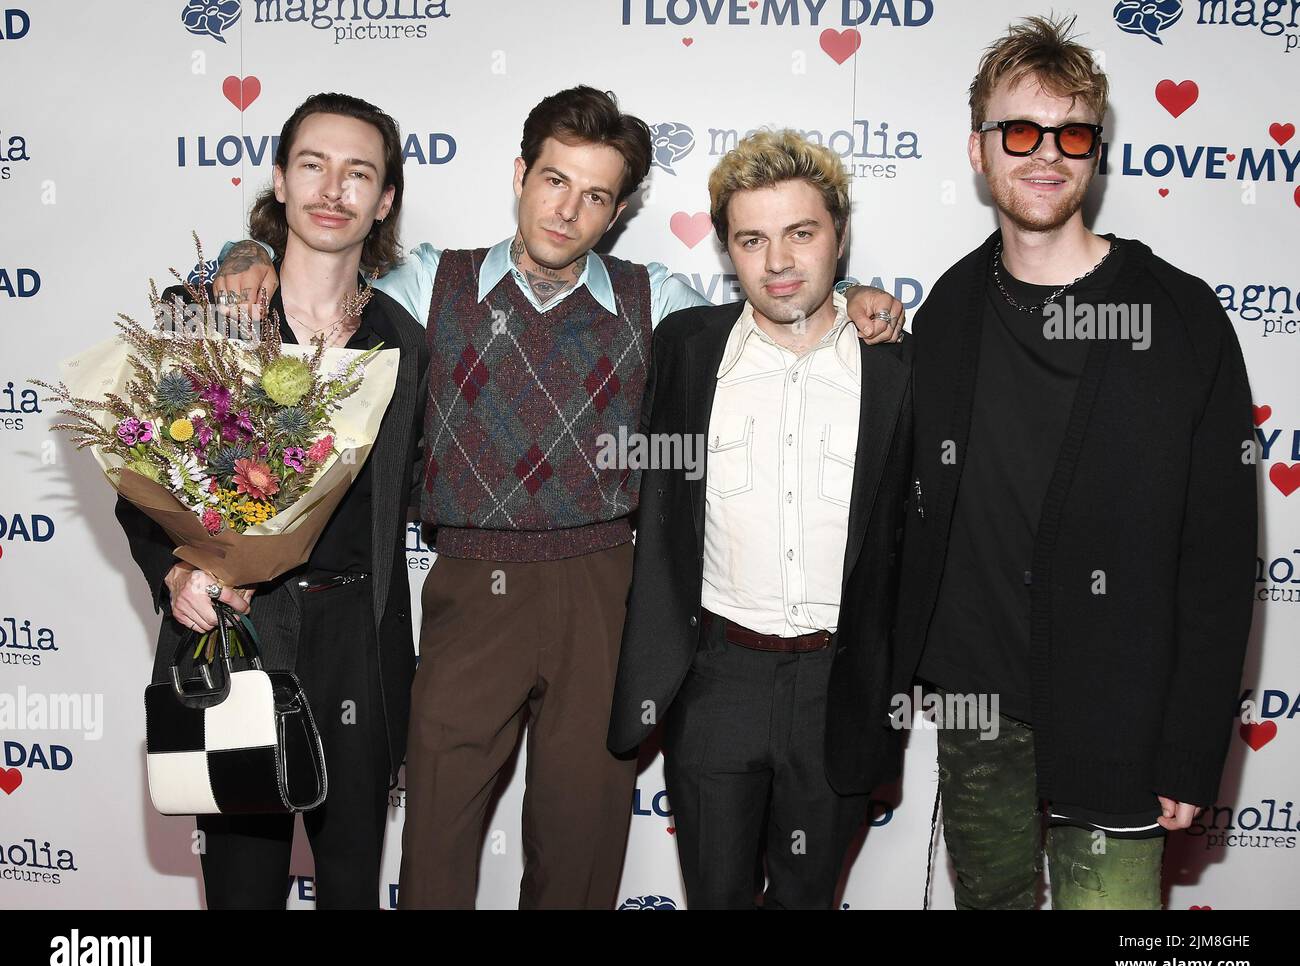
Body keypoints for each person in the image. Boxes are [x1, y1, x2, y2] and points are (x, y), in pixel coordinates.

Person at [212, 85, 905, 908]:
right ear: (519, 174)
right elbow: (320, 266)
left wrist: (860, 297)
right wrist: (241, 251)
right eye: (554, 181)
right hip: (469, 586)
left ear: (616, 212)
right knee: (435, 846)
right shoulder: (432, 281)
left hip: (605, 589)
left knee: (581, 845)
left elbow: (779, 297)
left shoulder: (660, 304)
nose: (568, 210)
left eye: (596, 196)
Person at [891, 16, 1257, 909]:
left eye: (1072, 134)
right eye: (1018, 131)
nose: (1044, 155)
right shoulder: (946, 309)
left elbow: (1218, 556)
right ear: (977, 151)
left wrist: (1190, 743)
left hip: (1121, 709)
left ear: (1098, 151)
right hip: (977, 707)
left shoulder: (1181, 318)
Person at [117, 92, 428, 909]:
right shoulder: (206, 316)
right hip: (237, 631)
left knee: (354, 887)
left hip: (360, 642)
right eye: (313, 165)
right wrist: (177, 570)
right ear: (282, 182)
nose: (334, 189)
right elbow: (142, 483)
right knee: (242, 886)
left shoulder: (403, 338)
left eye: (359, 173)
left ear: (385, 199)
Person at [607, 129, 913, 908]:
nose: (778, 261)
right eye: (752, 239)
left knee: (809, 897)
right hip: (716, 679)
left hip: (838, 685)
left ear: (839, 236)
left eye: (800, 233)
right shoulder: (686, 348)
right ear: (726, 249)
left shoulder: (897, 366)